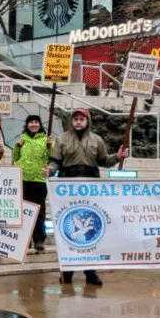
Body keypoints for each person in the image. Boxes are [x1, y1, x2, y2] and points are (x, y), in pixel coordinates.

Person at [43, 107, 128, 286]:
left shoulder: (97, 140)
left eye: (82, 119)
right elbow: (55, 162)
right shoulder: (62, 139)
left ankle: (90, 271)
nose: (78, 122)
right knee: (68, 230)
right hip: (68, 188)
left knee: (91, 231)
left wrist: (118, 156)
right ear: (72, 122)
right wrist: (49, 170)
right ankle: (67, 270)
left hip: (91, 189)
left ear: (87, 121)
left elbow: (104, 161)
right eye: (76, 119)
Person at [13, 115, 51, 252]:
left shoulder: (45, 140)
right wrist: (17, 146)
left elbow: (50, 157)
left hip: (39, 180)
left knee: (39, 211)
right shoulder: (22, 139)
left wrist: (49, 146)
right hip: (23, 179)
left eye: (36, 122)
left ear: (40, 125)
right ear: (27, 124)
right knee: (23, 210)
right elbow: (16, 158)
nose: (34, 124)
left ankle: (39, 238)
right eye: (31, 122)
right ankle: (24, 238)